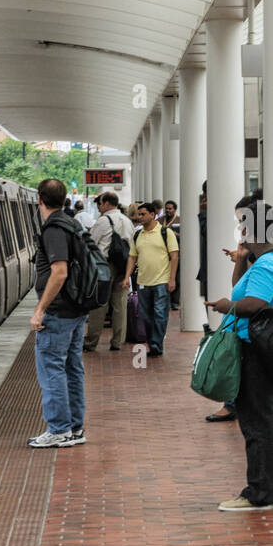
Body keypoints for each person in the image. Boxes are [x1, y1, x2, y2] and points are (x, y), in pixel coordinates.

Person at [205, 199, 273, 511]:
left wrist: (223, 307)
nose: (241, 231)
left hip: (254, 349)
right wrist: (241, 258)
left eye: (244, 225)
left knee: (256, 421)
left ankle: (259, 493)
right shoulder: (260, 262)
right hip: (254, 346)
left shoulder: (268, 264)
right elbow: (239, 288)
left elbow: (253, 303)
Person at [28, 178, 88, 448]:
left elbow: (59, 272)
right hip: (76, 309)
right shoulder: (72, 223)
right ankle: (74, 428)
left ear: (40, 198)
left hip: (59, 311)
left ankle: (59, 429)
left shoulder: (53, 228)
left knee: (52, 369)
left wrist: (40, 310)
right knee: (72, 368)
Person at [122, 203, 179, 356]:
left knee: (160, 314)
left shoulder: (165, 232)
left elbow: (174, 256)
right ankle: (152, 342)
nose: (140, 217)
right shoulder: (137, 235)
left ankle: (156, 345)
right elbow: (132, 257)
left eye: (143, 214)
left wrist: (172, 279)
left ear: (152, 214)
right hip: (143, 282)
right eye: (139, 214)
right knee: (145, 316)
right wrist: (127, 277)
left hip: (161, 281)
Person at [84, 192, 134, 352]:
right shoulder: (127, 221)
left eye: (100, 203)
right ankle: (118, 341)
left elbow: (91, 243)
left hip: (105, 265)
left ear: (106, 203)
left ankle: (92, 341)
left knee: (99, 303)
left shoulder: (103, 221)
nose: (99, 206)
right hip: (125, 265)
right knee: (120, 304)